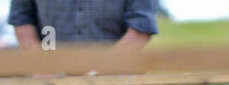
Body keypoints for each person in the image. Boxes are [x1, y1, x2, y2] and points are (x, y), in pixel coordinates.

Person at [9, 0, 159, 50]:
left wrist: (98, 73)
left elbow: (141, 28)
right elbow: (22, 18)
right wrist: (43, 67)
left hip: (115, 84)